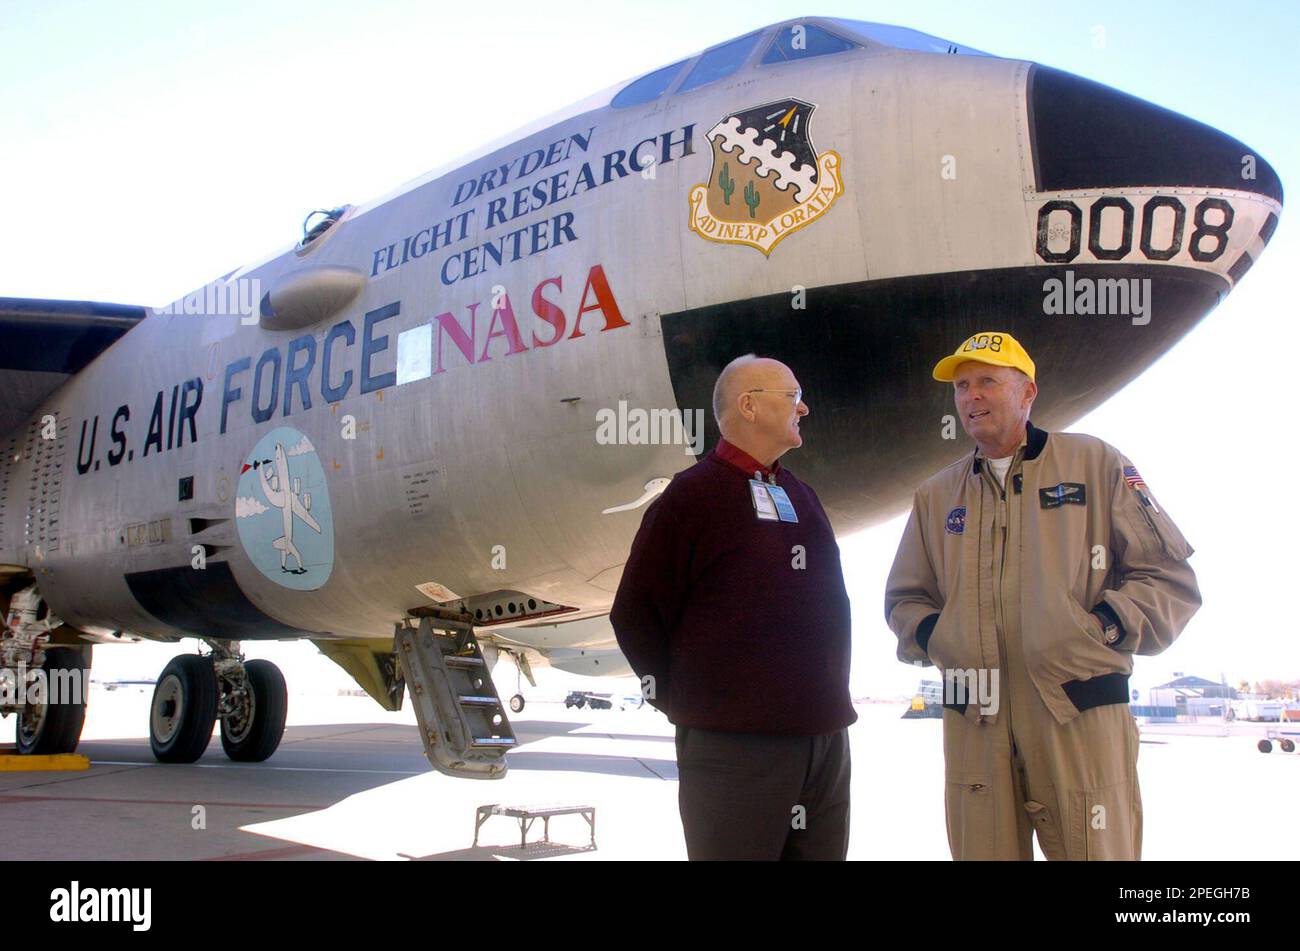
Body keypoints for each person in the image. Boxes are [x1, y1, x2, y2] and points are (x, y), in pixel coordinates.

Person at [885, 331, 1200, 860]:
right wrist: (941, 639)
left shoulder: (1096, 465)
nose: (970, 397)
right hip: (973, 712)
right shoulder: (936, 495)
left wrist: (1100, 628)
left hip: (1076, 706)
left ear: (1028, 393)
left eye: (987, 381)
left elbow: (1168, 577)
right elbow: (905, 598)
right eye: (961, 387)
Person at [610, 354, 856, 860]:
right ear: (749, 406)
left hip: (824, 742)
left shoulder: (801, 494)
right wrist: (692, 706)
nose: (804, 408)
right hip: (734, 749)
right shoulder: (690, 497)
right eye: (792, 396)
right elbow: (635, 613)